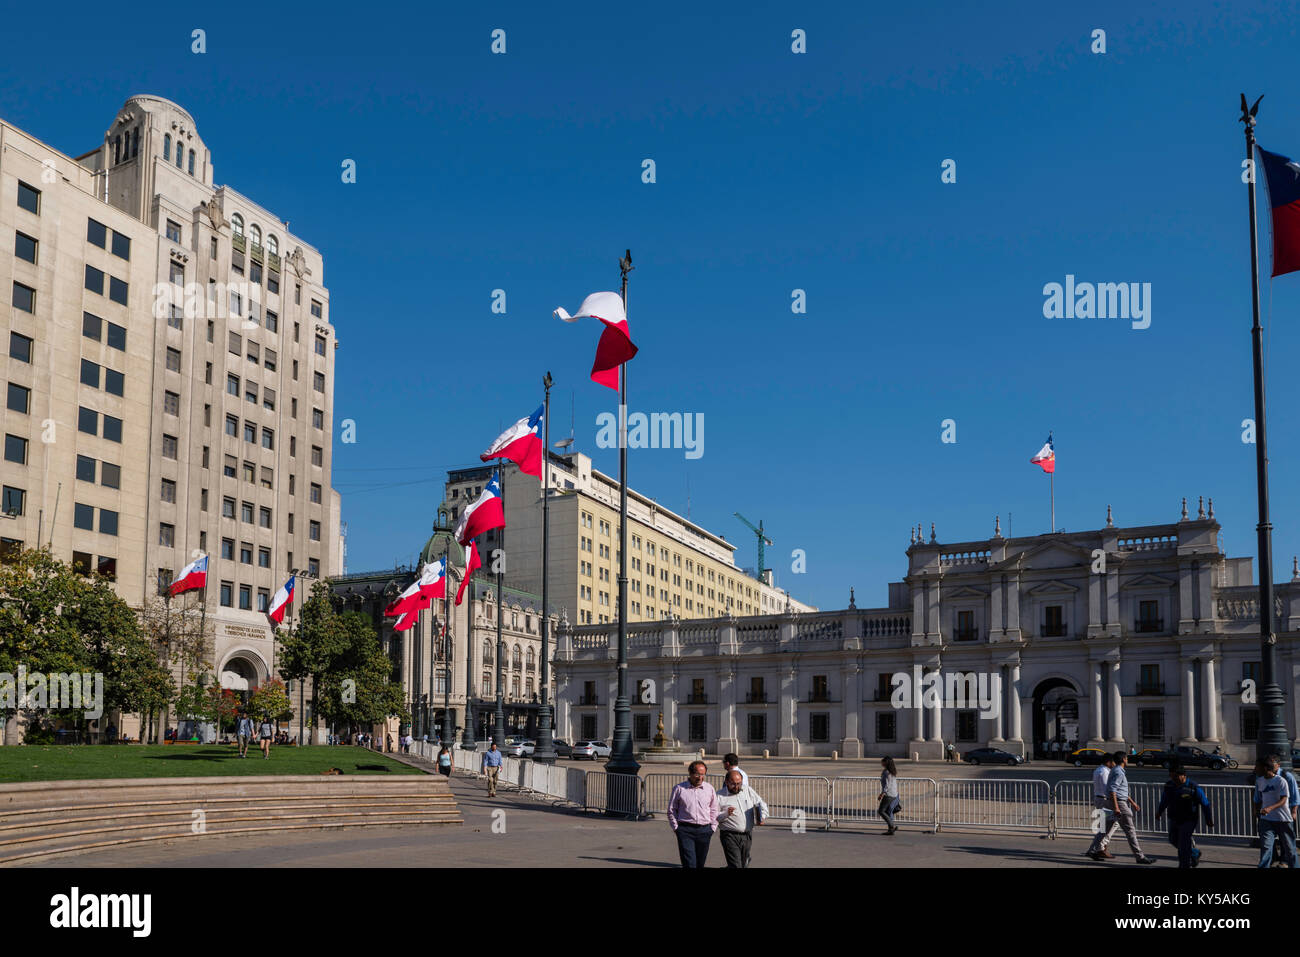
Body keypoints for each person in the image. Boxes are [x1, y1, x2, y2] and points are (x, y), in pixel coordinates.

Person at [1156, 762, 1214, 868]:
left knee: (1183, 843)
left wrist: (1208, 819)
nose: (1174, 779)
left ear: (1184, 775)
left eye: (1176, 776)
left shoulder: (1193, 787)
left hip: (1188, 820)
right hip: (1173, 818)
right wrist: (1159, 811)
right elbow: (1164, 800)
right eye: (1171, 776)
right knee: (1173, 840)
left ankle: (1184, 865)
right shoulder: (1169, 786)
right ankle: (1194, 853)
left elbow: (1205, 803)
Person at [1103, 751, 1154, 864]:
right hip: (1120, 804)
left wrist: (1133, 803)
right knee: (1130, 831)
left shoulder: (1116, 770)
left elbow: (1121, 791)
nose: (1128, 760)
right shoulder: (1119, 772)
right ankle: (1140, 857)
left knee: (1106, 829)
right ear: (1124, 759)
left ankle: (1095, 849)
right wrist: (1117, 808)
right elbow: (1113, 790)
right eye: (1127, 758)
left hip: (1118, 802)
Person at [667, 761, 718, 868]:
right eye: (697, 774)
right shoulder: (679, 789)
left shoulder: (709, 788)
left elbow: (714, 809)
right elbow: (671, 810)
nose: (700, 777)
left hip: (705, 830)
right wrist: (676, 828)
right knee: (690, 863)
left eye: (703, 774)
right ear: (690, 773)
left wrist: (712, 827)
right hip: (685, 831)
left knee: (700, 863)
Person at [715, 769, 768, 868]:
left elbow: (761, 804)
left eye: (739, 783)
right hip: (729, 835)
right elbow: (714, 817)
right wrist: (726, 814)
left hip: (747, 835)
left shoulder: (747, 789)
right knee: (736, 865)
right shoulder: (719, 796)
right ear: (726, 782)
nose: (736, 787)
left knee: (743, 864)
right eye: (733, 784)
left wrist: (762, 816)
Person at [1256, 754, 1296, 868]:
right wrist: (1258, 810)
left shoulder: (1282, 780)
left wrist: (1270, 808)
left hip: (1283, 820)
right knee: (1266, 847)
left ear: (1264, 768)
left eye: (1257, 767)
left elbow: (1284, 799)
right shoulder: (1259, 781)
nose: (1255, 769)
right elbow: (1259, 798)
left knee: (1290, 849)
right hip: (1266, 820)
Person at [1085, 752, 1120, 860]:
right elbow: (1108, 788)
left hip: (1099, 799)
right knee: (1113, 823)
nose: (1114, 764)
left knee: (1104, 826)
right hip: (1104, 800)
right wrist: (1115, 803)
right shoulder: (1104, 772)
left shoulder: (1098, 770)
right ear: (1109, 762)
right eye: (1113, 762)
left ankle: (1095, 848)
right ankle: (1101, 846)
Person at [878, 756, 901, 835]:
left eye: (883, 761)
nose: (881, 762)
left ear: (885, 763)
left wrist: (882, 794)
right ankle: (890, 829)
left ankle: (892, 826)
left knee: (881, 811)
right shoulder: (892, 771)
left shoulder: (886, 772)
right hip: (894, 794)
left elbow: (887, 785)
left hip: (889, 795)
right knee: (887, 811)